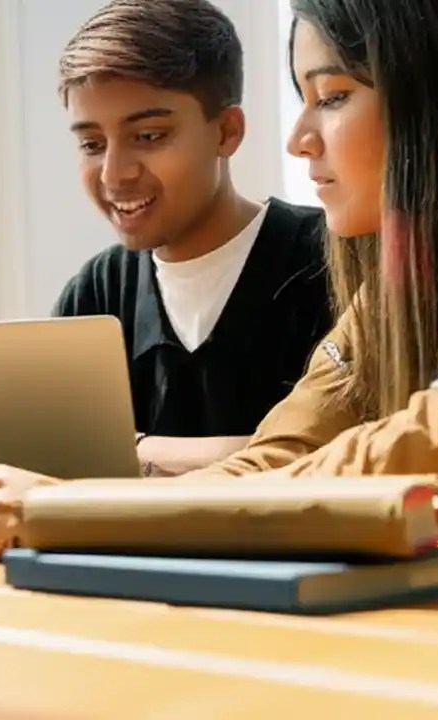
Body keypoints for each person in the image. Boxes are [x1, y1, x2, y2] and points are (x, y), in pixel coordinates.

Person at [0, 0, 438, 559]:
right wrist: (79, 504)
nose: (299, 138)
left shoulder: (320, 257)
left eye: (332, 97)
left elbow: (425, 452)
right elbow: (278, 456)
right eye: (90, 143)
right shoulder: (391, 291)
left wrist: (80, 503)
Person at [52, 0, 332, 477]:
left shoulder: (328, 262)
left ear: (226, 132)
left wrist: (134, 450)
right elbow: (55, 458)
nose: (115, 175)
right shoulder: (95, 294)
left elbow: (350, 455)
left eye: (148, 136)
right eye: (92, 145)